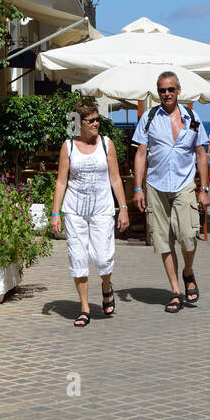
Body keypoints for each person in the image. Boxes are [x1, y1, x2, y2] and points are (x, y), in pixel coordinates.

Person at [132, 72, 210, 312]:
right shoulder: (149, 117)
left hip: (184, 184)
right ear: (158, 92)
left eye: (170, 89)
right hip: (155, 186)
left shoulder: (192, 117)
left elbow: (201, 154)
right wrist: (137, 187)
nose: (166, 94)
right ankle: (175, 291)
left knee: (188, 236)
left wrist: (204, 189)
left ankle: (188, 272)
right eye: (162, 90)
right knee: (163, 240)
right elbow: (141, 154)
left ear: (178, 91)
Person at [50, 99, 129, 327]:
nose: (96, 124)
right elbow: (61, 181)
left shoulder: (106, 144)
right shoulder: (69, 146)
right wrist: (55, 212)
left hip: (102, 209)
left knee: (103, 258)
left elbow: (115, 178)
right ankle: (84, 307)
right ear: (80, 123)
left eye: (97, 120)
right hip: (75, 210)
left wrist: (123, 208)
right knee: (78, 257)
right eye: (91, 120)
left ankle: (106, 285)